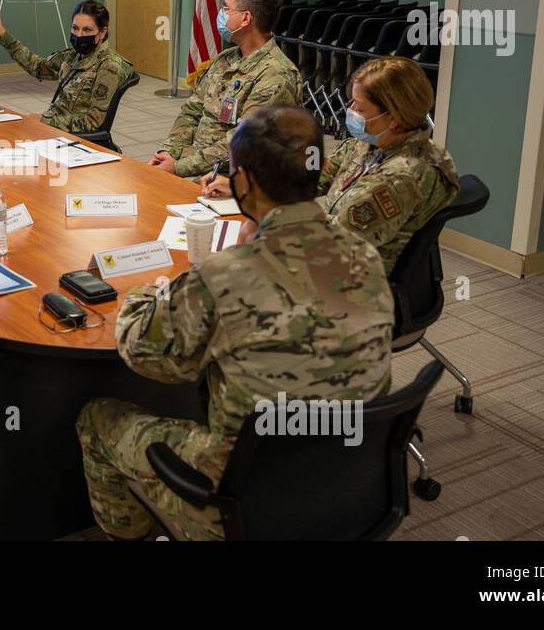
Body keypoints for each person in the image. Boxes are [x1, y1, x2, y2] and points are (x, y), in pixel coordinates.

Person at [78, 105, 393, 540]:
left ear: (242, 182)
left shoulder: (226, 275)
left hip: (238, 505)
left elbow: (143, 353)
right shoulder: (368, 258)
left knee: (97, 419)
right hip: (347, 480)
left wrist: (147, 290)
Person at [203, 57, 459, 274]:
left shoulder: (403, 175)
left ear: (393, 118)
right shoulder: (371, 142)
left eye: (360, 106)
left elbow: (337, 241)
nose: (350, 110)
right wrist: (253, 187)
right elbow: (315, 178)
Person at [150, 0, 302, 181]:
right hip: (195, 165)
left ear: (246, 18)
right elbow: (192, 111)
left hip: (232, 179)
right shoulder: (225, 59)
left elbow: (244, 143)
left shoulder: (275, 76)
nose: (220, 14)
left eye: (226, 8)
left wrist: (179, 167)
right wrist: (169, 152)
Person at [0, 0, 134, 134]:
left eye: (87, 30)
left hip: (74, 138)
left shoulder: (109, 67)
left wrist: (44, 121)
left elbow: (92, 122)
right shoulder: (73, 56)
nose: (79, 35)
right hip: (54, 128)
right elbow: (38, 67)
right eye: (75, 28)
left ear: (102, 32)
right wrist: (4, 36)